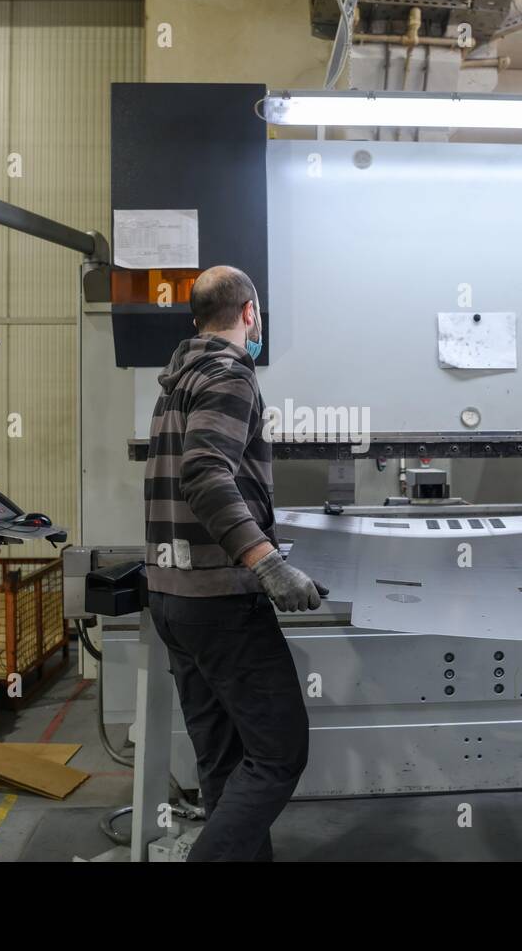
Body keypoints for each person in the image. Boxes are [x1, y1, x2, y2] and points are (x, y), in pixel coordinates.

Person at [143, 264, 326, 861]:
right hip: (220, 602)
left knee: (222, 761)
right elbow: (204, 473)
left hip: (173, 599)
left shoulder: (175, 380)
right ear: (250, 313)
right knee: (278, 754)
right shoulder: (229, 374)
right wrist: (266, 561)